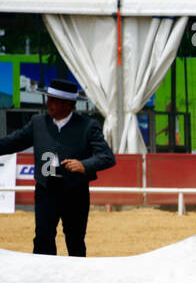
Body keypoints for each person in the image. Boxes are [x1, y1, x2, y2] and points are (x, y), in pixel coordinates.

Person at [0, 78, 115, 257]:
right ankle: (43, 280)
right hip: (46, 189)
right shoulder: (38, 122)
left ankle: (76, 282)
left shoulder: (87, 126)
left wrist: (84, 165)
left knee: (75, 240)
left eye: (53, 100)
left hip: (75, 191)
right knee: (43, 238)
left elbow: (107, 157)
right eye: (48, 98)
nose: (48, 103)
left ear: (67, 105)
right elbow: (12, 142)